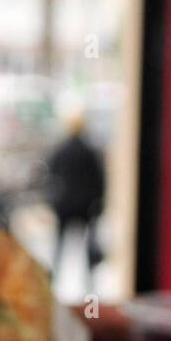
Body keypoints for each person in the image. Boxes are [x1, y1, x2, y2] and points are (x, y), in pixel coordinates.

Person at [42, 110, 105, 283]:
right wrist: (98, 203)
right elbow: (99, 179)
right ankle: (89, 280)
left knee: (60, 246)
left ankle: (55, 279)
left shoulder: (60, 150)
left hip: (65, 205)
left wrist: (52, 202)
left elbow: (50, 177)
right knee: (85, 246)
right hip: (85, 206)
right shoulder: (89, 150)